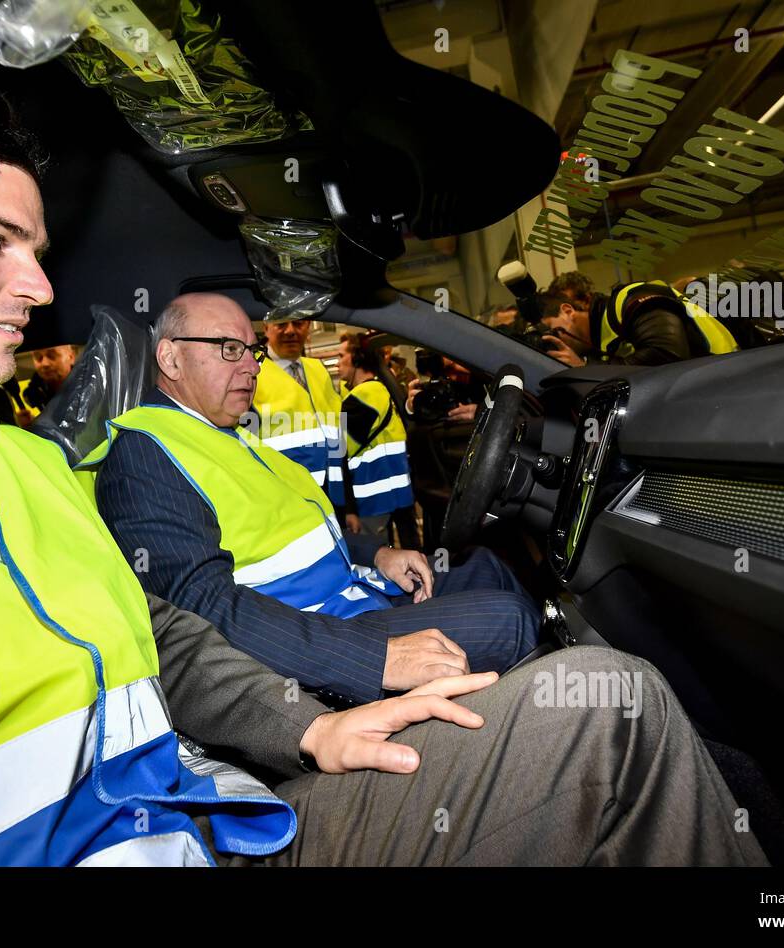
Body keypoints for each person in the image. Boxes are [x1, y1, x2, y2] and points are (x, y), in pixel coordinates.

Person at [0, 70, 766, 868]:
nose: (39, 289)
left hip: (216, 825)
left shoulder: (26, 465)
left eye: (37, 250)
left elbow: (156, 634)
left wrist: (302, 724)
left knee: (605, 701)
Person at [86, 293, 541, 705]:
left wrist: (378, 552)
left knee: (485, 564)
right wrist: (373, 658)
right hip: (318, 636)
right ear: (170, 356)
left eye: (253, 351)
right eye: (229, 350)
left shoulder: (227, 434)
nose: (251, 366)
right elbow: (206, 612)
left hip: (350, 593)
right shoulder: (146, 455)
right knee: (511, 619)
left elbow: (301, 526)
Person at [252, 316, 345, 506]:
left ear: (309, 327)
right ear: (266, 327)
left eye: (298, 323)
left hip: (329, 491)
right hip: (283, 496)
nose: (290, 331)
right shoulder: (251, 371)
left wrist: (349, 505)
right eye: (281, 324)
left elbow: (338, 431)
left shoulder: (318, 370)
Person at [539, 279, 738, 367]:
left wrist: (586, 367)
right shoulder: (599, 344)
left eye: (554, 330)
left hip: (731, 371)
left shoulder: (627, 301)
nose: (554, 339)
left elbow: (668, 353)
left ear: (568, 311)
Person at [337, 333, 413, 537]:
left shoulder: (365, 396)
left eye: (341, 355)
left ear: (357, 359)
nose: (337, 363)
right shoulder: (376, 390)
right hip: (396, 488)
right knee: (409, 545)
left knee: (376, 558)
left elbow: (335, 447)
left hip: (374, 494)